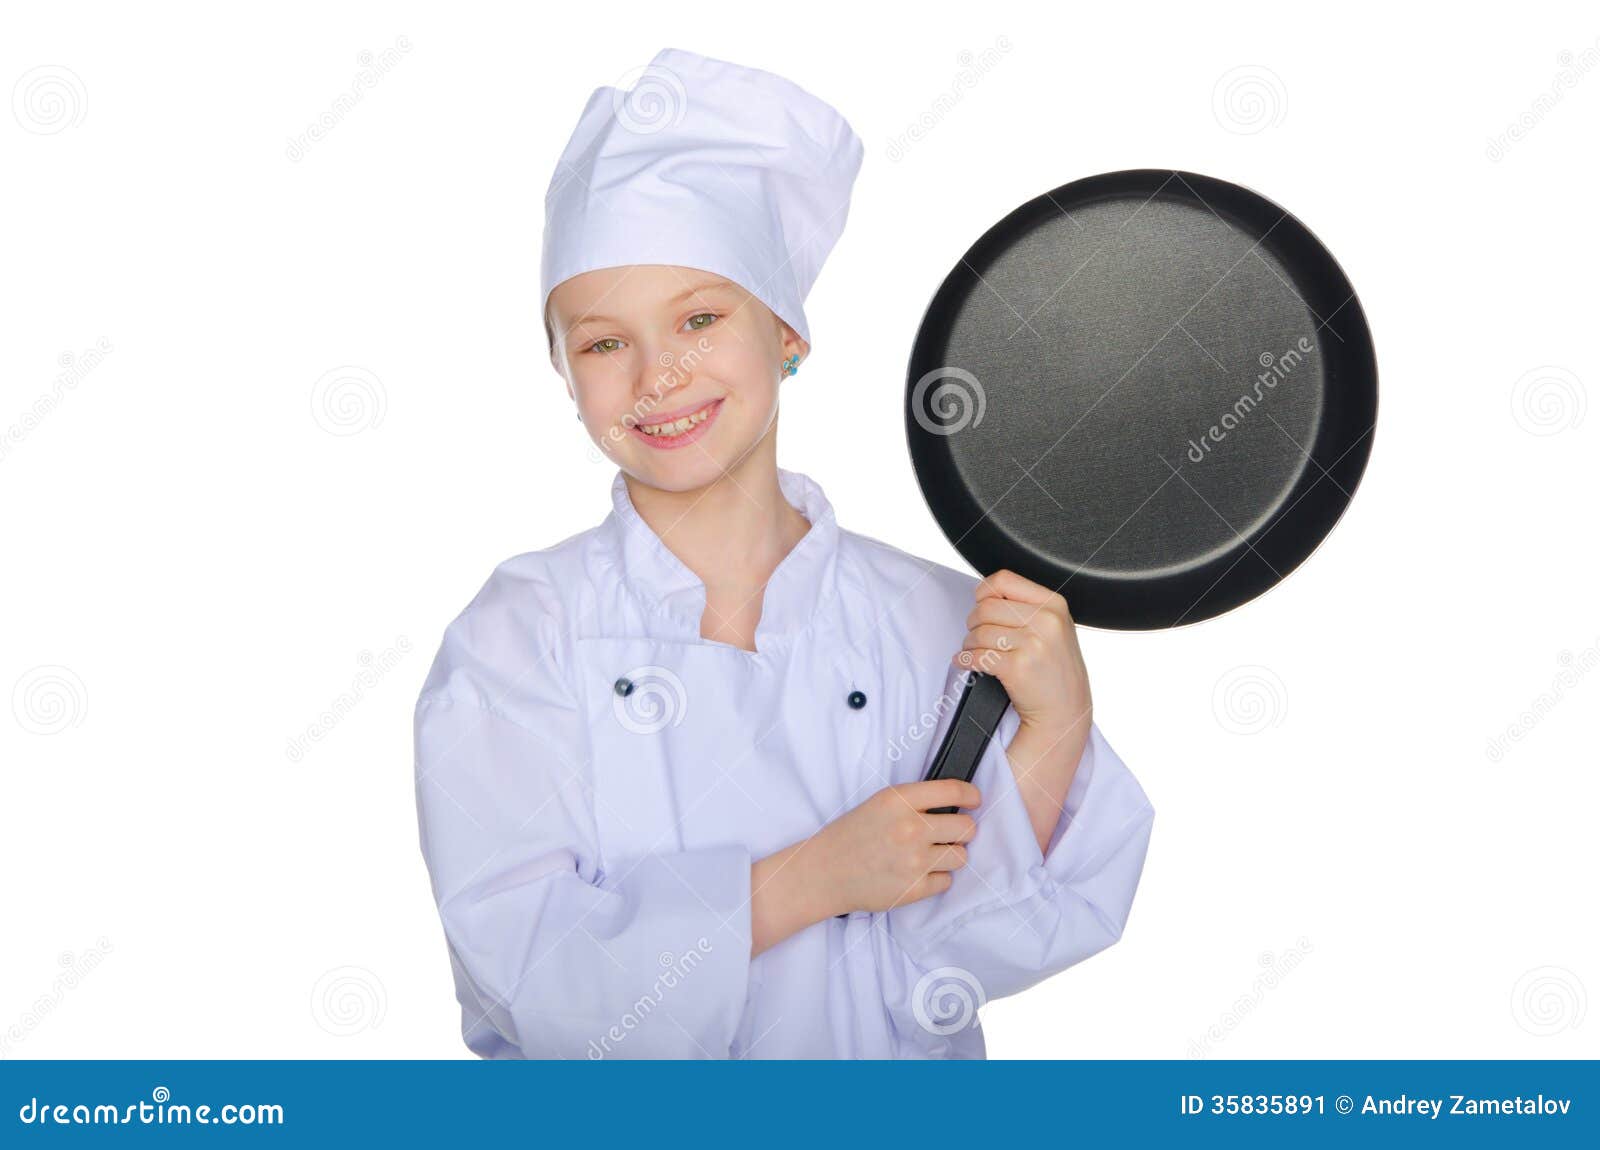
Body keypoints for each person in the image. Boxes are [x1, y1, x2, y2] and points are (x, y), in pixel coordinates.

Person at [413, 46, 1155, 1059]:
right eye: (601, 342)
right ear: (562, 369)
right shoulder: (520, 634)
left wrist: (1058, 720)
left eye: (701, 317)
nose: (657, 374)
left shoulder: (939, 620)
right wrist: (810, 878)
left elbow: (967, 952)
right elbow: (532, 981)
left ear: (789, 335)